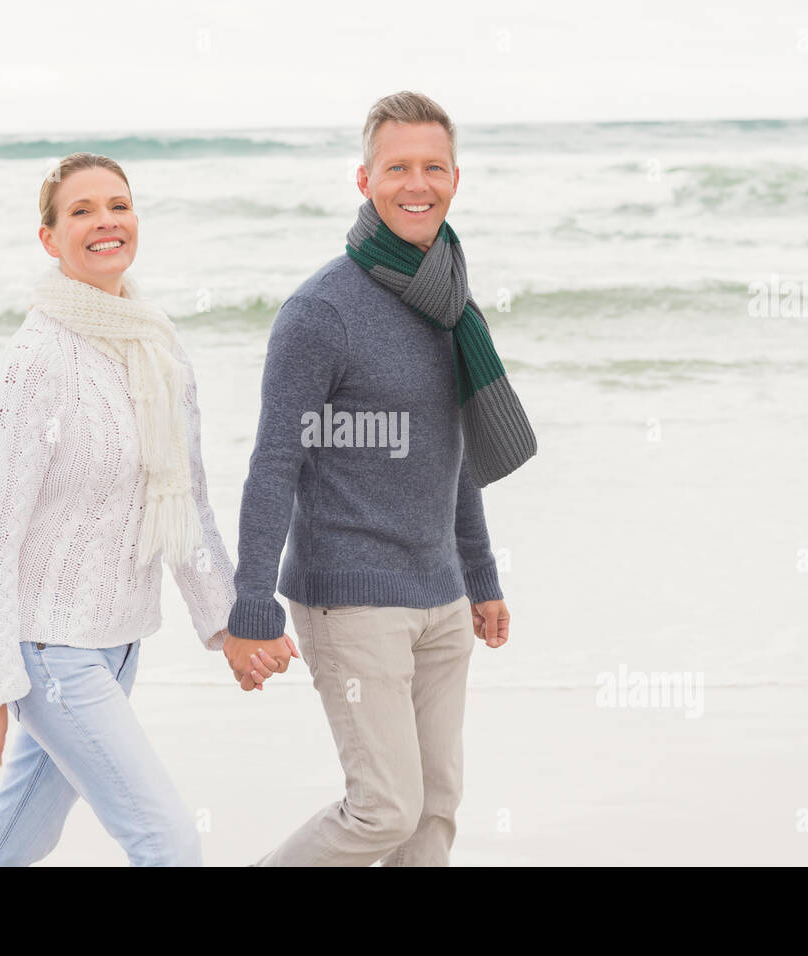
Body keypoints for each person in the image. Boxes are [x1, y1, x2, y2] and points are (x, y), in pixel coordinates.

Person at [223, 91, 537, 866]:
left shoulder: (450, 304)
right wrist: (250, 604)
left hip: (441, 596)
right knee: (383, 812)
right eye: (397, 167)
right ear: (364, 180)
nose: (416, 183)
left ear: (456, 180)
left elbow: (453, 452)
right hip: (352, 600)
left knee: (434, 812)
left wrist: (482, 576)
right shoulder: (319, 312)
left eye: (433, 167)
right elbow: (273, 463)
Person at [0, 152, 263, 866]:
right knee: (169, 842)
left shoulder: (156, 344)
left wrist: (231, 623)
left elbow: (188, 505)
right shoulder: (37, 359)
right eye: (82, 211)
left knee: (12, 843)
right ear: (50, 238)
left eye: (118, 206)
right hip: (51, 651)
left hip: (120, 644)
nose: (105, 222)